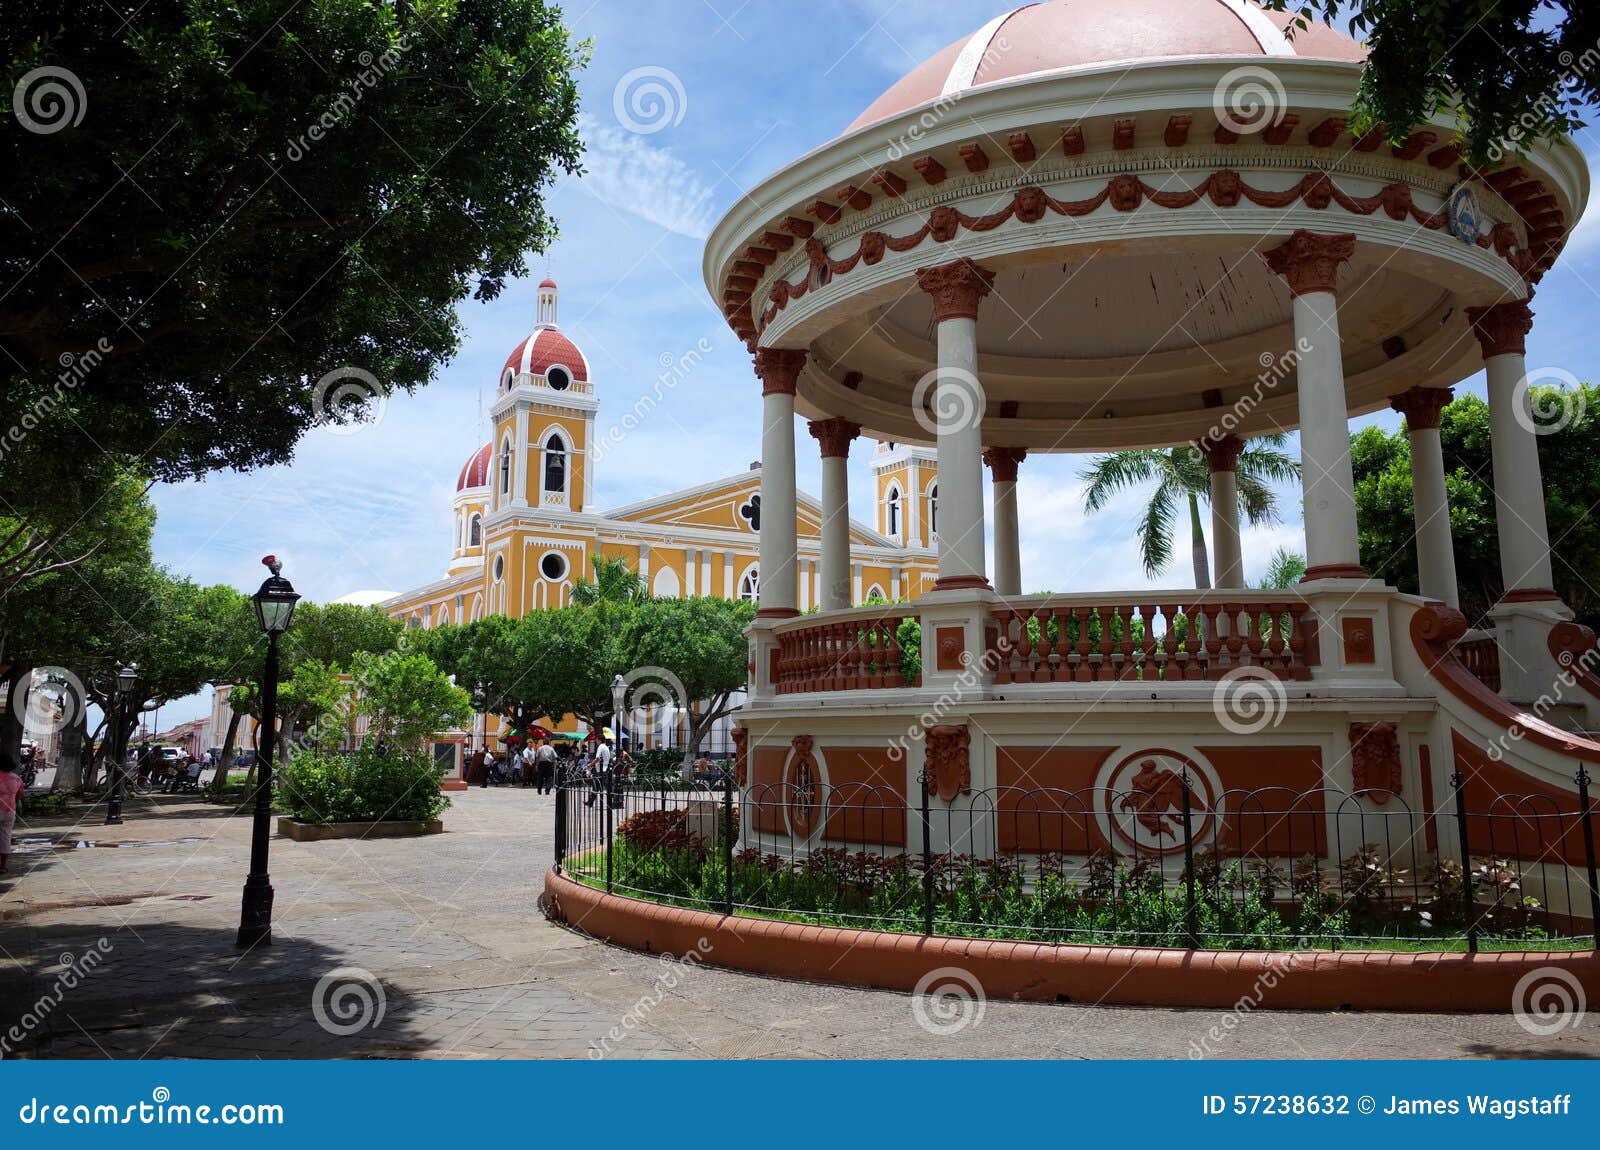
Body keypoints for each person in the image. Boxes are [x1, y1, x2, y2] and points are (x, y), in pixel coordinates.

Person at [0, 750, 24, 875]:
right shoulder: (16, 779)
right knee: (5, 837)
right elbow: (20, 794)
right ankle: (3, 866)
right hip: (10, 811)